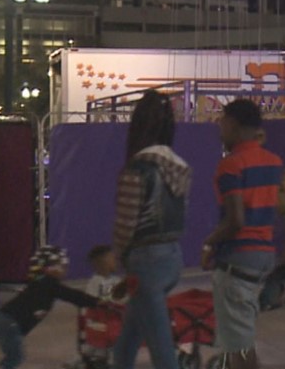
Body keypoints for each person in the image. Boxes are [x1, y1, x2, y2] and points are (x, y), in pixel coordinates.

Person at [201, 99, 284, 369]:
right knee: (240, 333)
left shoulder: (231, 165)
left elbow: (235, 220)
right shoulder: (274, 162)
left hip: (238, 257)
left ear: (233, 124)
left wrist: (209, 244)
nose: (220, 130)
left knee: (240, 345)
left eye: (222, 123)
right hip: (265, 256)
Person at [112, 89, 191, 369]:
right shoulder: (179, 167)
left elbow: (126, 223)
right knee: (127, 342)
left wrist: (119, 257)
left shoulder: (138, 167)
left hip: (145, 262)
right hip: (172, 257)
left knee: (162, 351)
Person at [0, 246, 102, 369]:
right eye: (62, 265)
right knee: (15, 358)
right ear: (50, 268)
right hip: (9, 323)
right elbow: (72, 295)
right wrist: (97, 302)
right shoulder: (47, 283)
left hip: (5, 322)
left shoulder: (42, 283)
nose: (65, 269)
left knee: (12, 358)